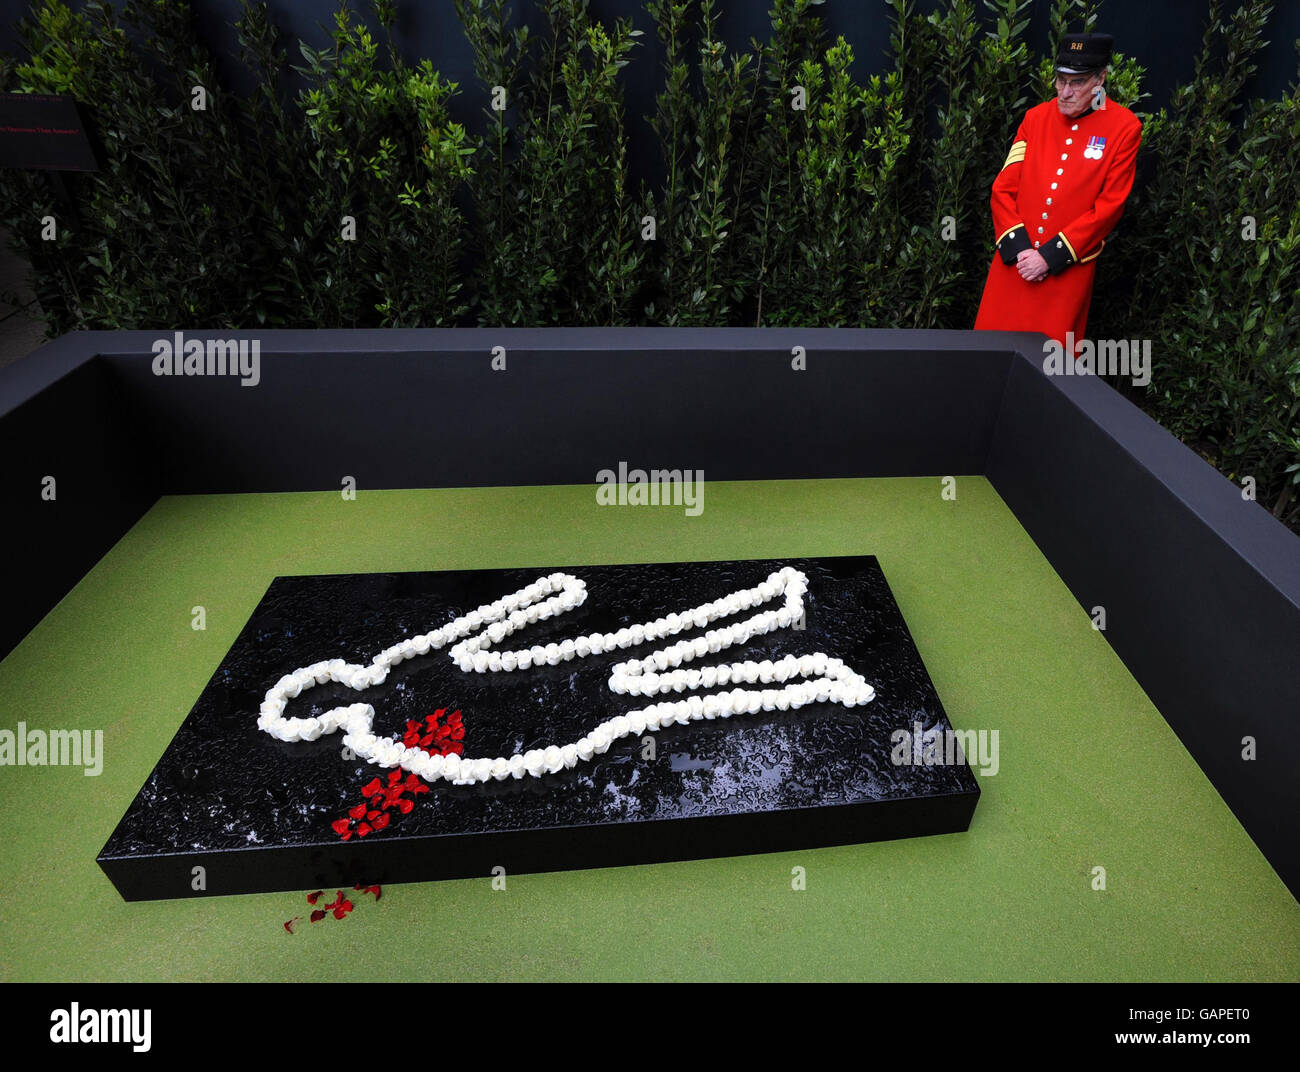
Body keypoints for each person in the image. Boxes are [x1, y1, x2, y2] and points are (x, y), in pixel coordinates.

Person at [973, 32, 1142, 350]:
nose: (1065, 92)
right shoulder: (1034, 119)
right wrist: (1023, 252)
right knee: (988, 359)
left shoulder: (1124, 128)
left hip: (1065, 273)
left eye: (1076, 82)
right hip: (1014, 266)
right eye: (1060, 80)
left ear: (1100, 79)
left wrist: (1049, 258)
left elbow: (1109, 207)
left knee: (1049, 374)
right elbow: (1003, 188)